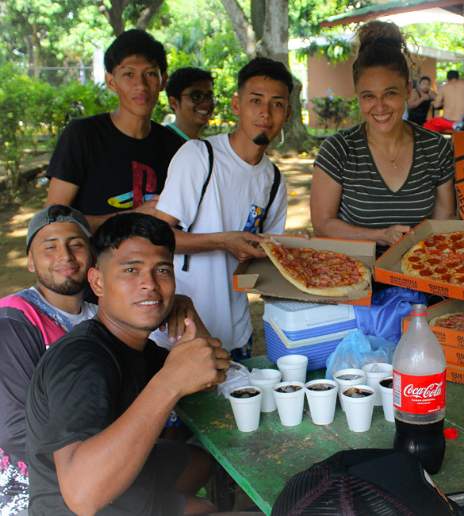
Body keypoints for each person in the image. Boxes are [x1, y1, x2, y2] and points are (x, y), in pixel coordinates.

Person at [0, 206, 207, 515]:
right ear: (97, 282)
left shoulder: (121, 336)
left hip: (111, 475)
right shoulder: (74, 356)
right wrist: (168, 384)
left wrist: (187, 312)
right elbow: (82, 495)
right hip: (68, 493)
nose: (149, 283)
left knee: (202, 463)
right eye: (131, 270)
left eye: (162, 270)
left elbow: (207, 369)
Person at [154, 57, 290, 360]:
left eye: (277, 103)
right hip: (178, 335)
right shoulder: (199, 156)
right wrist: (222, 240)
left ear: (288, 112)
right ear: (236, 104)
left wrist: (291, 250)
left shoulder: (275, 181)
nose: (265, 113)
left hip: (237, 336)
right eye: (256, 100)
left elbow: (262, 260)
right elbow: (157, 237)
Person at [311, 21, 455, 252]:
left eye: (390, 93)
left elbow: (445, 217)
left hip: (422, 271)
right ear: (358, 96)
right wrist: (380, 236)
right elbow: (322, 223)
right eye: (369, 96)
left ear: (408, 91)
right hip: (353, 275)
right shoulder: (338, 149)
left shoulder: (436, 148)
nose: (379, 107)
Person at [45, 29, 184, 231]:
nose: (141, 85)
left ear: (163, 81)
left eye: (150, 74)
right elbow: (54, 220)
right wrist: (133, 217)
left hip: (157, 262)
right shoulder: (82, 136)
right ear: (111, 82)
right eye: (128, 74)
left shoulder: (175, 147)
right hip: (96, 260)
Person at [165, 67, 215, 141]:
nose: (206, 103)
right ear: (173, 102)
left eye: (209, 96)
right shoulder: (160, 142)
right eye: (197, 96)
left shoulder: (205, 147)